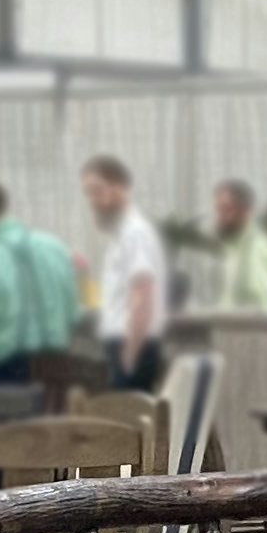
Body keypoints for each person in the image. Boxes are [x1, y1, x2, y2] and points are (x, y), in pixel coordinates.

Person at [0, 176, 78, 384]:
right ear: (3, 205)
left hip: (6, 386)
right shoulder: (56, 248)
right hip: (59, 382)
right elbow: (73, 315)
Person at [80, 155, 165, 390]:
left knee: (126, 422)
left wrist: (129, 355)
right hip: (125, 344)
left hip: (131, 345)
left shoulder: (134, 233)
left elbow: (143, 296)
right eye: (88, 193)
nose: (93, 201)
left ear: (121, 187)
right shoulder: (121, 235)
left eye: (97, 191)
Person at [212, 178, 267, 312]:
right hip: (227, 330)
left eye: (226, 210)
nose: (220, 218)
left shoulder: (259, 248)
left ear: (244, 211)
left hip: (250, 331)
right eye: (218, 210)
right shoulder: (232, 249)